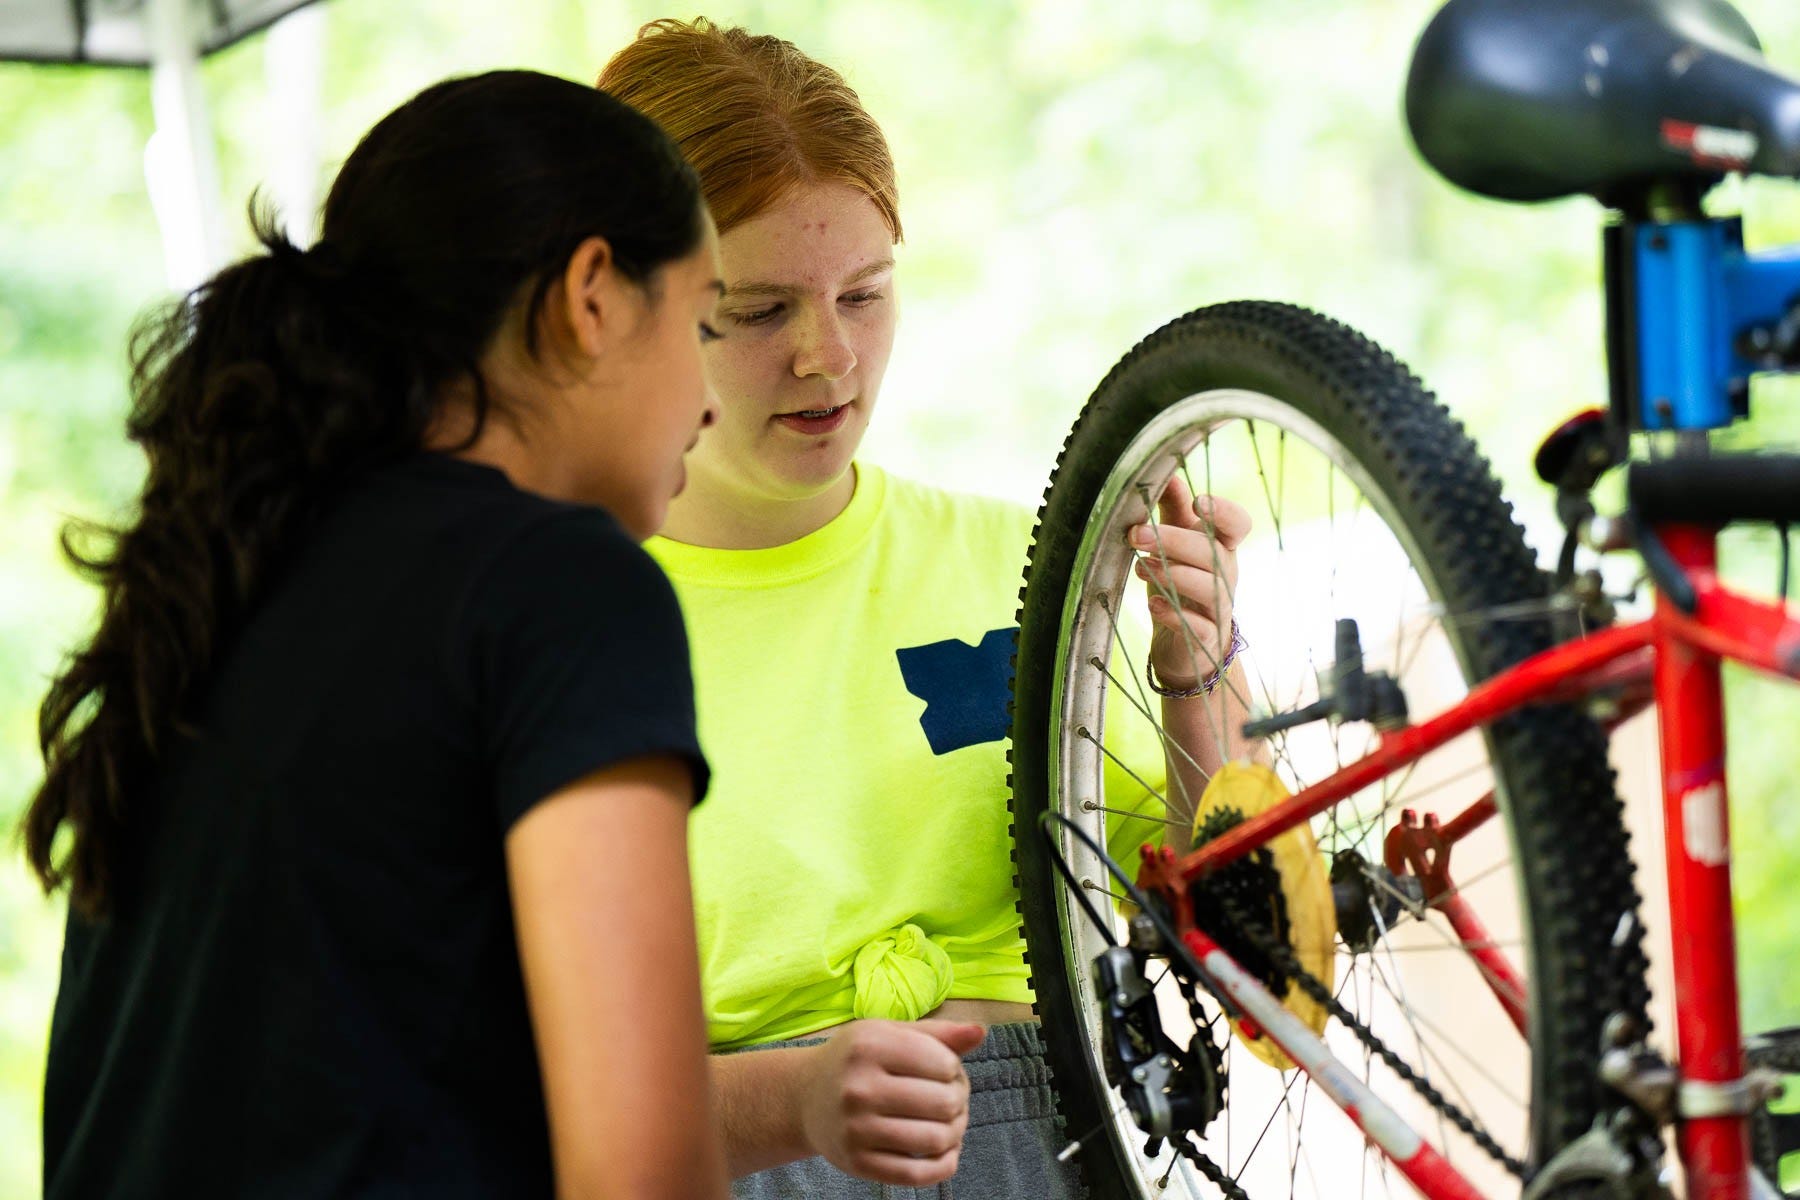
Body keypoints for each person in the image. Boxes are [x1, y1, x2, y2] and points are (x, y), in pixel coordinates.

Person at [24, 70, 730, 1199]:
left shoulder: (212, 584)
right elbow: (642, 1173)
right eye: (703, 318)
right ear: (591, 294)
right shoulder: (560, 583)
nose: (710, 399)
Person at [598, 22, 1254, 1195]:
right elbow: (514, 1093)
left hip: (1064, 1141)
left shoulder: (1032, 566)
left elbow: (1254, 951)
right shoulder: (551, 629)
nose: (828, 357)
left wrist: (1200, 670)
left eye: (865, 293)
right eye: (756, 312)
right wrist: (796, 1099)